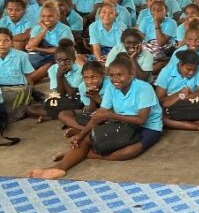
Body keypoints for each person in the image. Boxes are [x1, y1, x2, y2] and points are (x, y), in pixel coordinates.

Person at [27, 53, 164, 180]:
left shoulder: (144, 88)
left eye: (119, 75)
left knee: (129, 152)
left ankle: (82, 154)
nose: (115, 79)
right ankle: (59, 168)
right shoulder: (111, 88)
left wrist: (111, 115)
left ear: (132, 74)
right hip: (122, 122)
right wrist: (81, 136)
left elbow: (141, 119)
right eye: (111, 75)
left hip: (148, 127)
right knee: (87, 138)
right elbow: (99, 116)